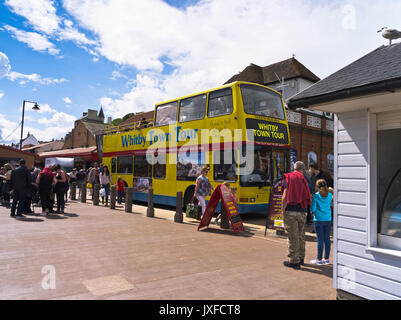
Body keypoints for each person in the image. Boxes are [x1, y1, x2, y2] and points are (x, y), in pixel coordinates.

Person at [281, 161, 312, 269]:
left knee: (292, 236)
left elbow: (285, 196)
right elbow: (309, 195)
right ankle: (301, 257)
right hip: (303, 211)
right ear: (303, 169)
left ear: (294, 168)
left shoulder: (290, 177)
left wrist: (282, 210)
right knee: (301, 235)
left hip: (291, 211)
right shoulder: (306, 179)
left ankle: (294, 261)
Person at [310, 179, 334, 265]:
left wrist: (312, 210)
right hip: (327, 219)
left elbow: (313, 209)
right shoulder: (330, 195)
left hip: (318, 220)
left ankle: (319, 259)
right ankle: (326, 259)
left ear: (317, 186)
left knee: (320, 240)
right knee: (327, 239)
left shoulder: (316, 196)